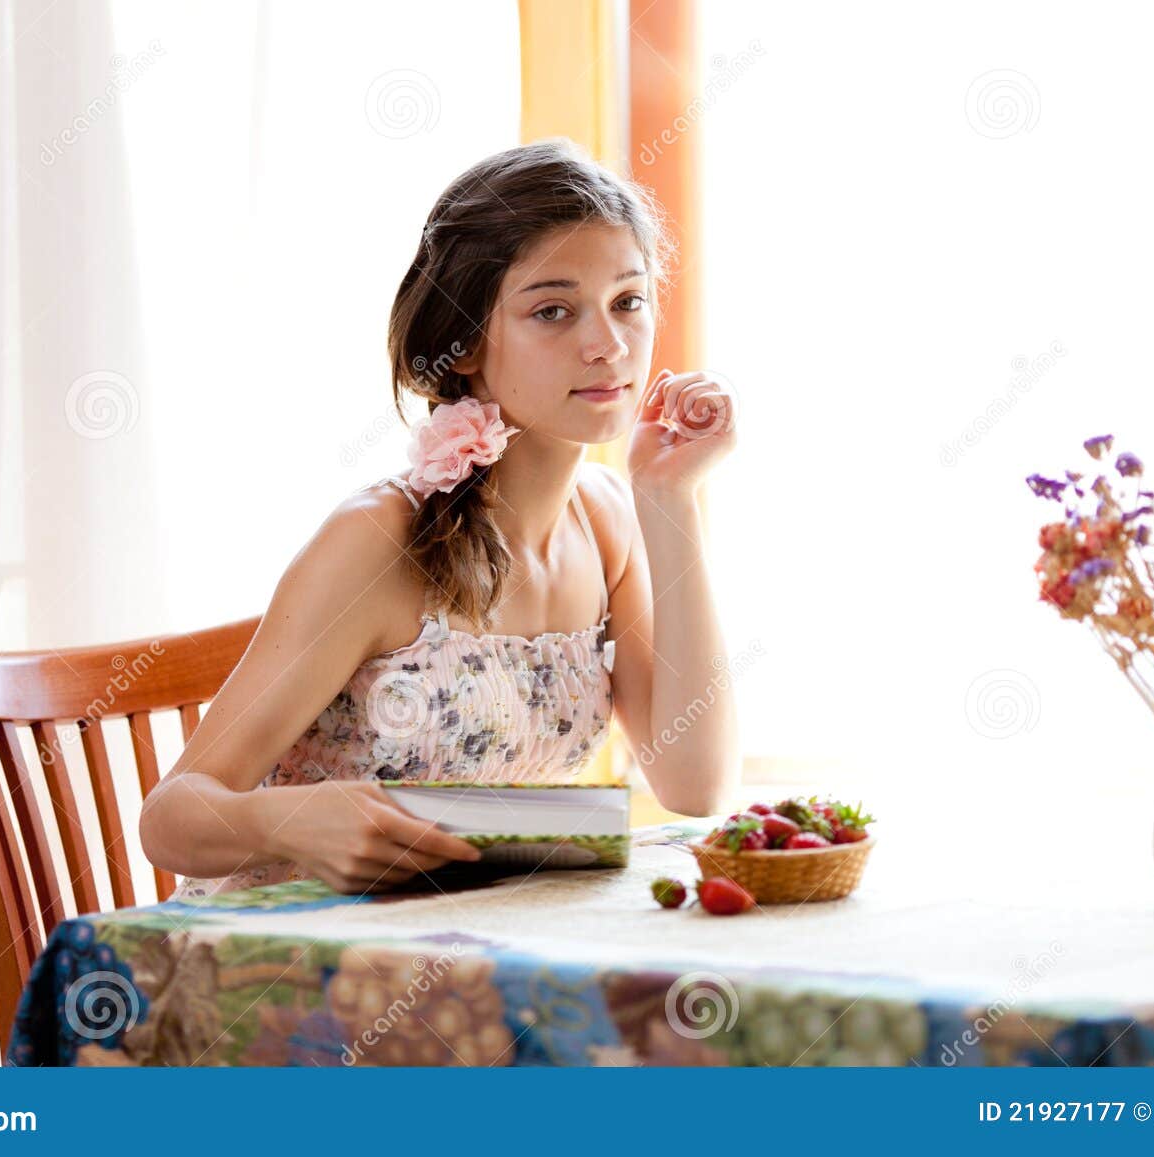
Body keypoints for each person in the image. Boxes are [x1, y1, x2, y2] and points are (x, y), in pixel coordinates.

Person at [140, 138, 739, 898]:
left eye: (628, 300)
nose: (608, 344)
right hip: (291, 968)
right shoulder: (377, 540)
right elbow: (170, 818)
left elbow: (697, 783)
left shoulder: (610, 522)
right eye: (553, 310)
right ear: (461, 348)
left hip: (471, 957)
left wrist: (668, 497)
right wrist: (287, 820)